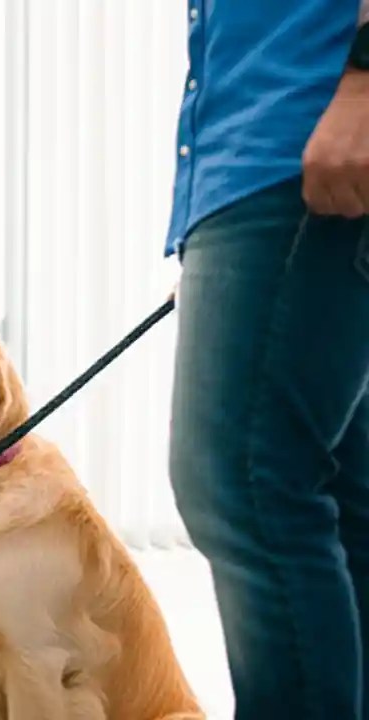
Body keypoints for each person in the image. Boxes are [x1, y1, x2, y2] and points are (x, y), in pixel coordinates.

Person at [166, 3, 369, 718]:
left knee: (244, 485)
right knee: (339, 502)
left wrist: (366, 85)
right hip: (265, 165)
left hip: (296, 153)